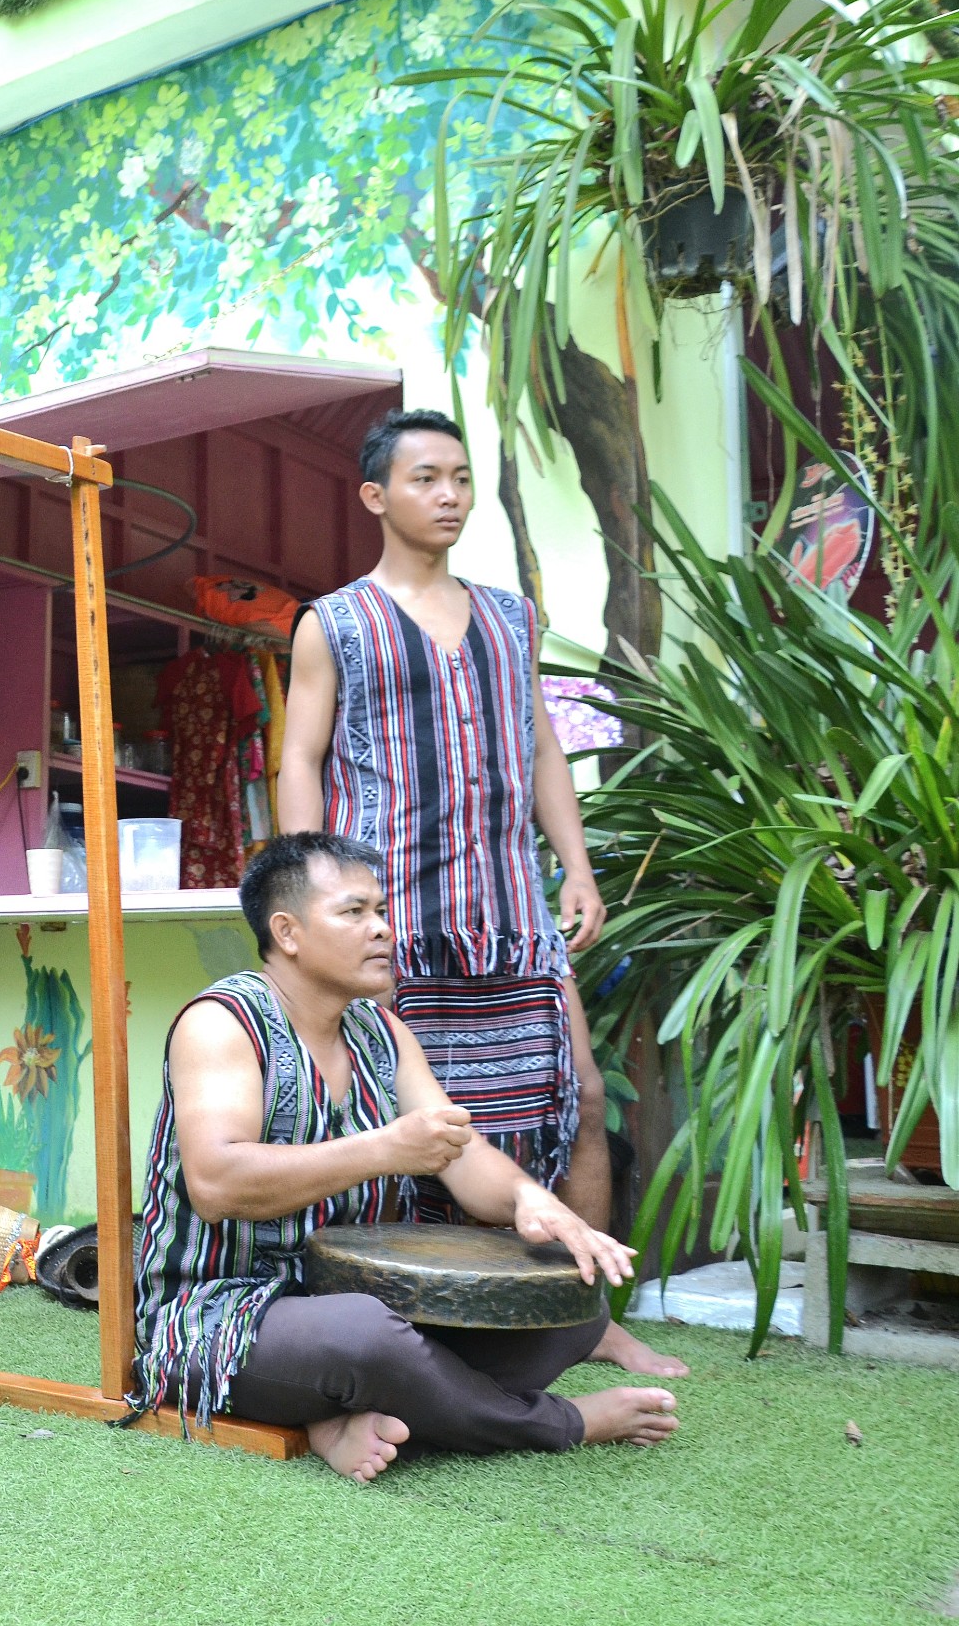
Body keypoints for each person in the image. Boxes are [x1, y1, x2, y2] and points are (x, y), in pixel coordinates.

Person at [276, 407, 685, 1381]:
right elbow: (297, 755)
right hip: (396, 929)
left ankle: (585, 1320)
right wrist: (304, 900)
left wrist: (575, 865)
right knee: (411, 1131)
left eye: (458, 477)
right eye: (425, 478)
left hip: (512, 913)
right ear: (376, 496)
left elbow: (541, 743)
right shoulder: (332, 623)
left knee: (580, 1099)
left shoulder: (509, 616)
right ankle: (419, 1329)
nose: (449, 494)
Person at [131, 833, 678, 1481]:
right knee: (365, 1336)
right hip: (218, 1317)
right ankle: (559, 1423)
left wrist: (534, 1201)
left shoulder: (382, 1033)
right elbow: (218, 1182)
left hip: (359, 1304)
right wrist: (385, 1148)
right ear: (288, 932)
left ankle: (341, 1415)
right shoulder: (223, 1023)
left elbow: (462, 1155)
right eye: (354, 912)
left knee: (568, 1309)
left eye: (381, 911)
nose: (383, 929)